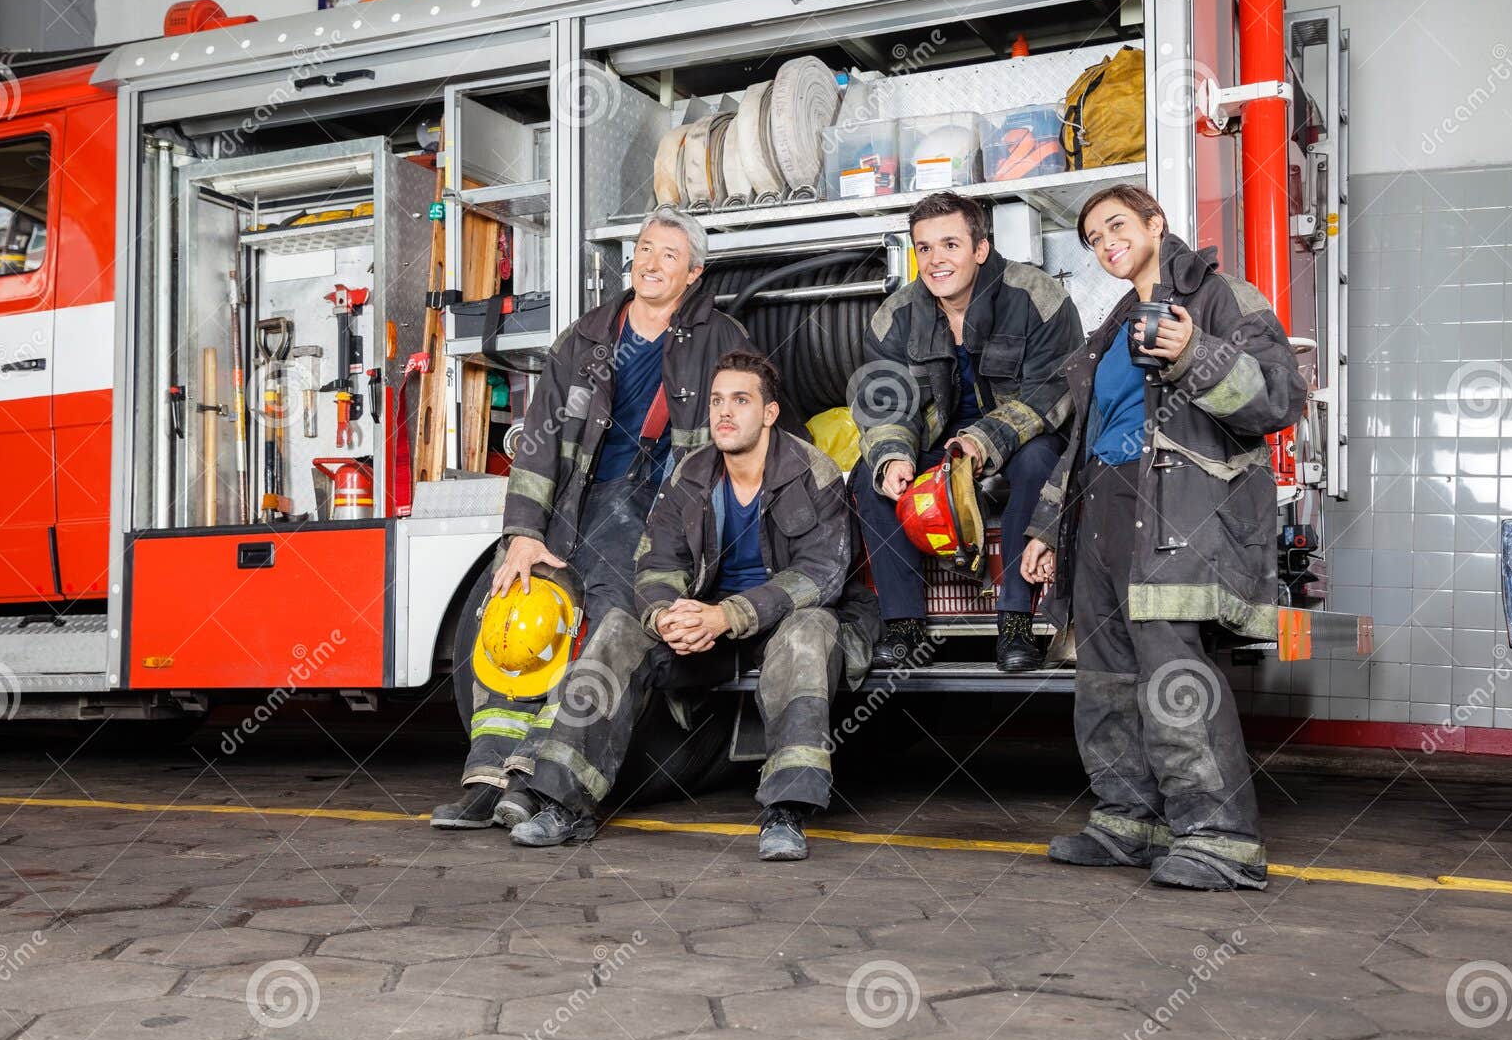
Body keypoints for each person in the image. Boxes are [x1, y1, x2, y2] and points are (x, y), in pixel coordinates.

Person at [1019, 184, 1306, 891]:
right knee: (1106, 678)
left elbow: (1279, 396)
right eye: (1092, 237)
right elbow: (1082, 441)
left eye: (1116, 224)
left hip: (1177, 511)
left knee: (1173, 674)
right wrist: (1045, 526)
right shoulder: (1110, 329)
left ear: (1156, 224)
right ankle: (1128, 821)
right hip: (1104, 514)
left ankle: (1221, 839)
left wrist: (1193, 354)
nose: (1105, 242)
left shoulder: (1213, 297)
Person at [431, 207, 750, 831]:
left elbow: (744, 442)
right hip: (575, 507)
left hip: (655, 517)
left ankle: (534, 779)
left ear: (694, 273)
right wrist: (523, 534)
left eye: (669, 255)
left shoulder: (723, 340)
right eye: (645, 249)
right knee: (514, 621)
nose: (652, 263)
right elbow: (537, 447)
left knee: (597, 638)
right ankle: (487, 777)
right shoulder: (585, 337)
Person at [508, 351, 878, 861]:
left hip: (778, 622)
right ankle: (564, 803)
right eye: (717, 401)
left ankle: (786, 812)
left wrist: (729, 615)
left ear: (769, 413)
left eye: (741, 401)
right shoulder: (693, 472)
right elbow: (656, 563)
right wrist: (666, 615)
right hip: (707, 626)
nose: (725, 413)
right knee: (619, 627)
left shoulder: (813, 472)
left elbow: (820, 575)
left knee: (808, 630)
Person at [850, 190, 1082, 673]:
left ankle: (1016, 625)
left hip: (1021, 441)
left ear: (980, 249)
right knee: (868, 475)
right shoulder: (895, 316)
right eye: (925, 248)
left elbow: (1053, 392)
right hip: (940, 451)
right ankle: (905, 627)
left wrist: (982, 441)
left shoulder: (1035, 296)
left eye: (950, 244)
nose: (936, 260)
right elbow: (883, 402)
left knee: (1038, 458)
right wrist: (894, 456)